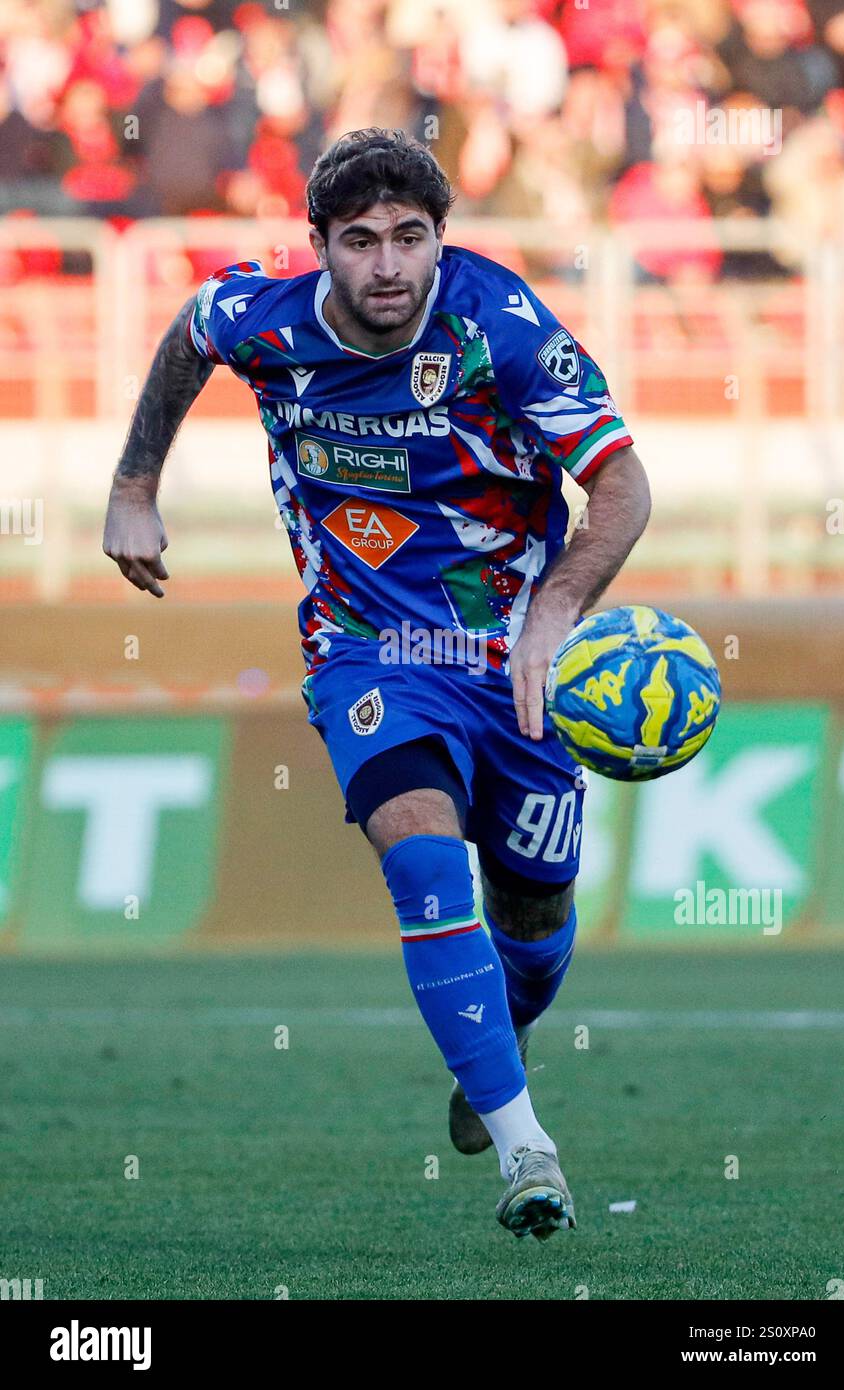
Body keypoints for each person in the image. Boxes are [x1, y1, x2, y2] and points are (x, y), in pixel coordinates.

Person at [103, 127, 651, 1242]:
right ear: (319, 246)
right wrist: (132, 483)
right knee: (419, 853)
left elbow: (623, 486)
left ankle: (498, 1040)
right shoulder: (262, 318)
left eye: (410, 237)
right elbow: (186, 337)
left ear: (440, 238)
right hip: (366, 654)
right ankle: (525, 1148)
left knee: (535, 911)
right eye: (359, 241)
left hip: (514, 661)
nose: (388, 265)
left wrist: (554, 609)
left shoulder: (498, 327)